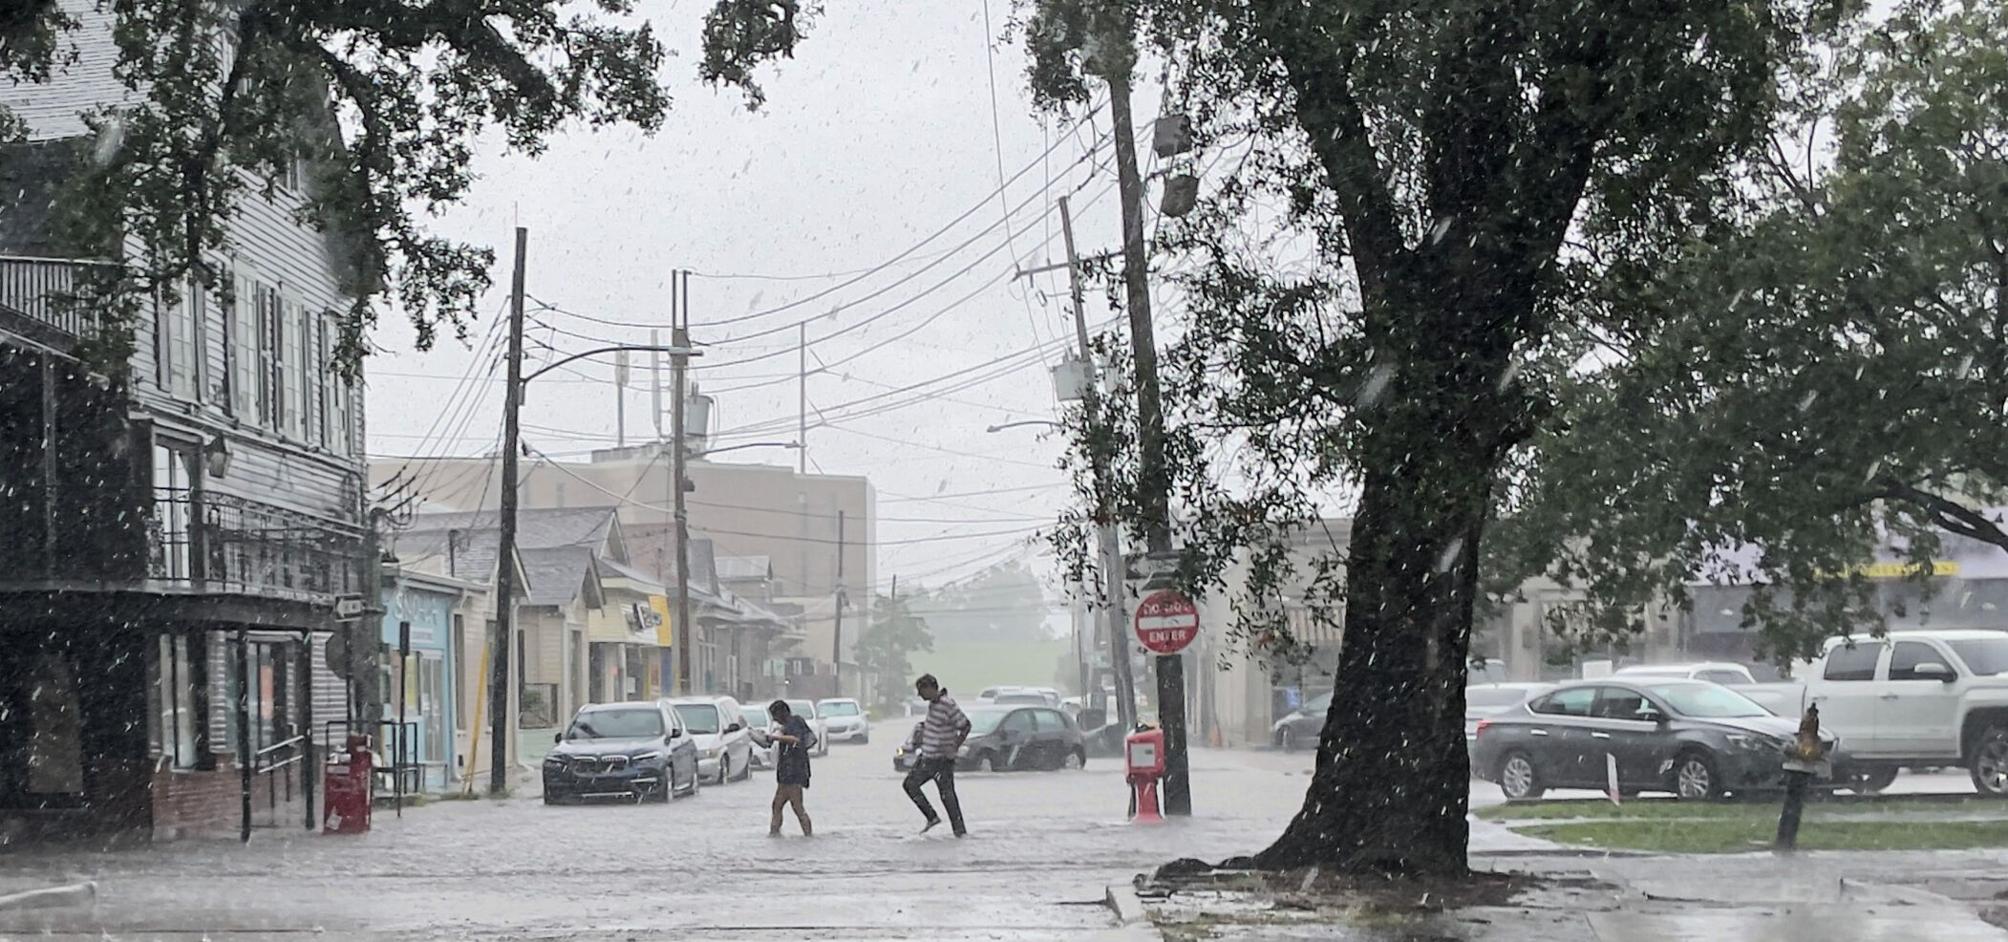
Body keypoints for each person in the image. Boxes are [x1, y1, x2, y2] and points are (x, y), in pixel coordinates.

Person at [902, 673, 970, 836]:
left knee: (947, 796)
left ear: (930, 688)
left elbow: (965, 725)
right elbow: (938, 726)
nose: (919, 695)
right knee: (910, 785)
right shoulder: (933, 704)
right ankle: (932, 817)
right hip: (927, 757)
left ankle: (959, 831)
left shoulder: (947, 704)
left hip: (942, 760)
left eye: (921, 690)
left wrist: (955, 745)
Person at [767, 699, 815, 837]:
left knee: (797, 807)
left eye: (775, 716)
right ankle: (774, 834)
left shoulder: (795, 722)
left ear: (782, 713)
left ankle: (808, 835)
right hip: (786, 773)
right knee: (777, 805)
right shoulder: (787, 725)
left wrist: (775, 738)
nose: (775, 720)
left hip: (794, 772)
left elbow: (796, 740)